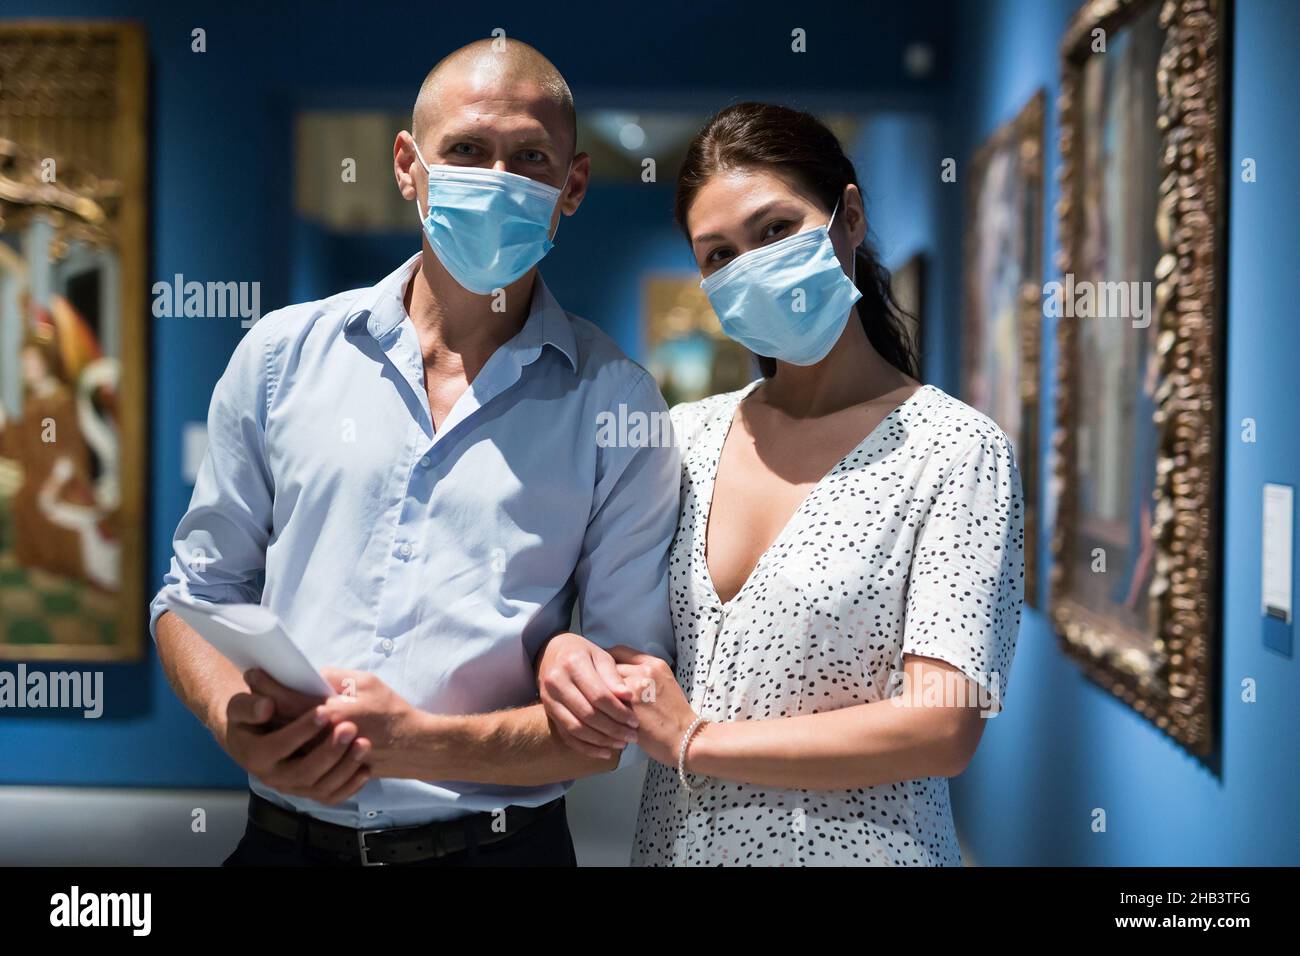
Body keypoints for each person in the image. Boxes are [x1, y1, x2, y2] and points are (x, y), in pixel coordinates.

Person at [150, 39, 678, 867]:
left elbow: (610, 719)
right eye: (467, 149)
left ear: (572, 185)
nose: (497, 178)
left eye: (530, 157)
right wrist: (231, 722)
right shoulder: (281, 356)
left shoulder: (618, 404)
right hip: (283, 845)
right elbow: (191, 598)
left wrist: (416, 743)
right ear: (407, 163)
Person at [538, 103, 1025, 866]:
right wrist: (575, 652)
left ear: (850, 216)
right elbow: (632, 640)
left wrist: (700, 741)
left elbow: (944, 726)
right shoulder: (685, 436)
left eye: (775, 230)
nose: (751, 268)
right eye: (719, 255)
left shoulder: (954, 451)